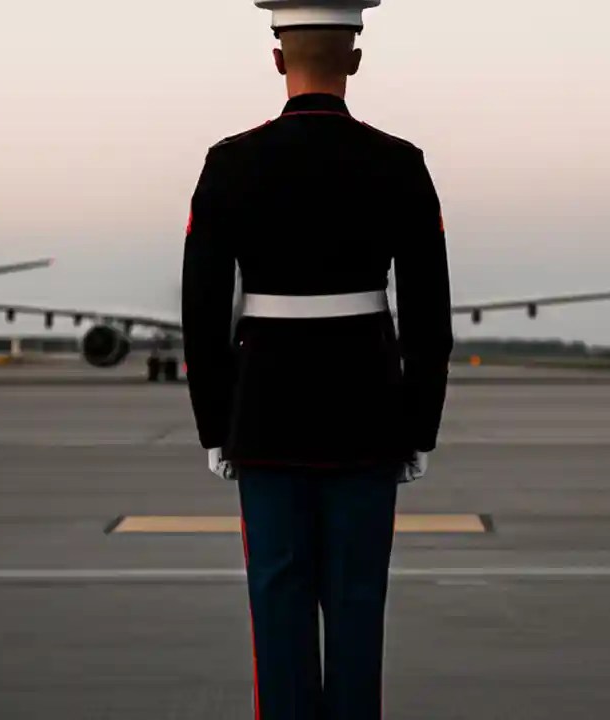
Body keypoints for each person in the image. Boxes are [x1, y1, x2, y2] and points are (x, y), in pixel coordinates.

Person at [181, 2, 453, 717]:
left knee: (278, 601)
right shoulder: (400, 165)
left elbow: (202, 313)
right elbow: (430, 316)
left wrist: (216, 425)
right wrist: (420, 425)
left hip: (267, 415)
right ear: (355, 59)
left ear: (278, 58)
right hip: (368, 413)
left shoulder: (229, 164)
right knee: (359, 604)